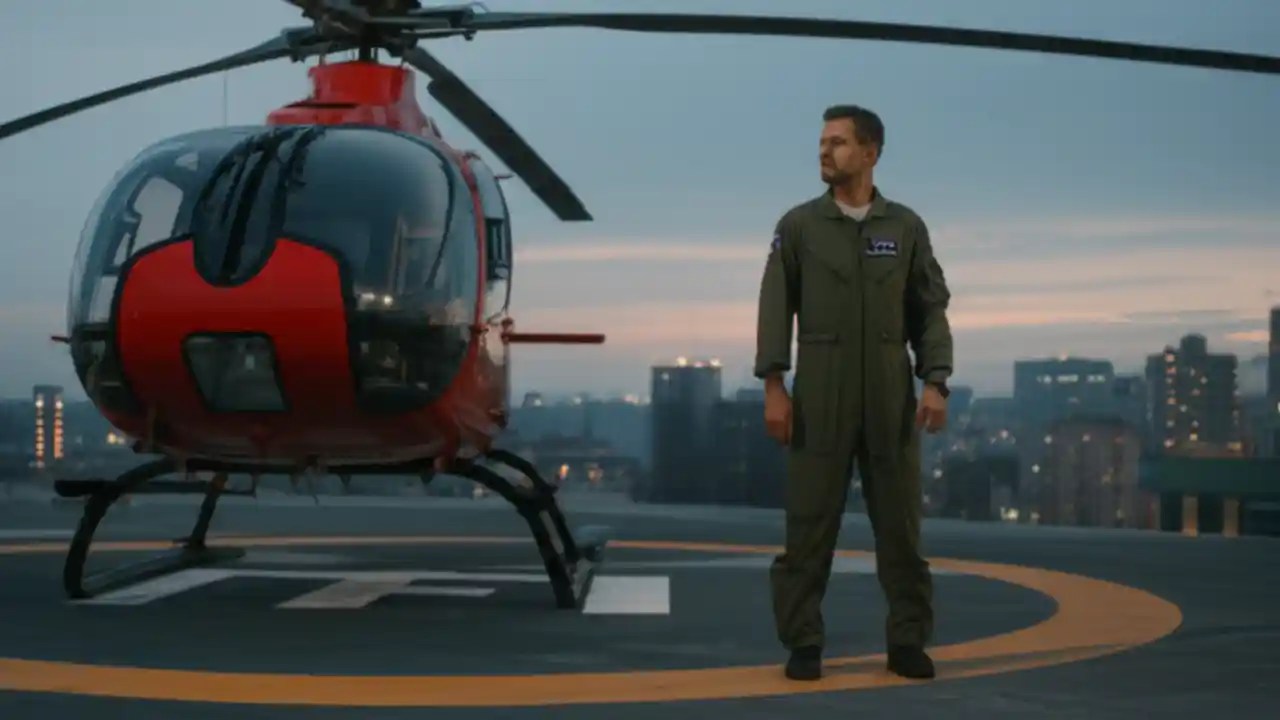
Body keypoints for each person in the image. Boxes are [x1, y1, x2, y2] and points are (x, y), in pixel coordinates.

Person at [754, 104, 954, 682]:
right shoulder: (798, 227)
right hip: (820, 390)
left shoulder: (905, 228)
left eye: (838, 143)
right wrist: (774, 385)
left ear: (870, 152)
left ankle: (908, 642)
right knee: (809, 526)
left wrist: (935, 380)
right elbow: (774, 309)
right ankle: (804, 643)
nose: (824, 151)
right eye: (822, 142)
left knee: (901, 529)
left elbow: (930, 310)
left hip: (890, 394)